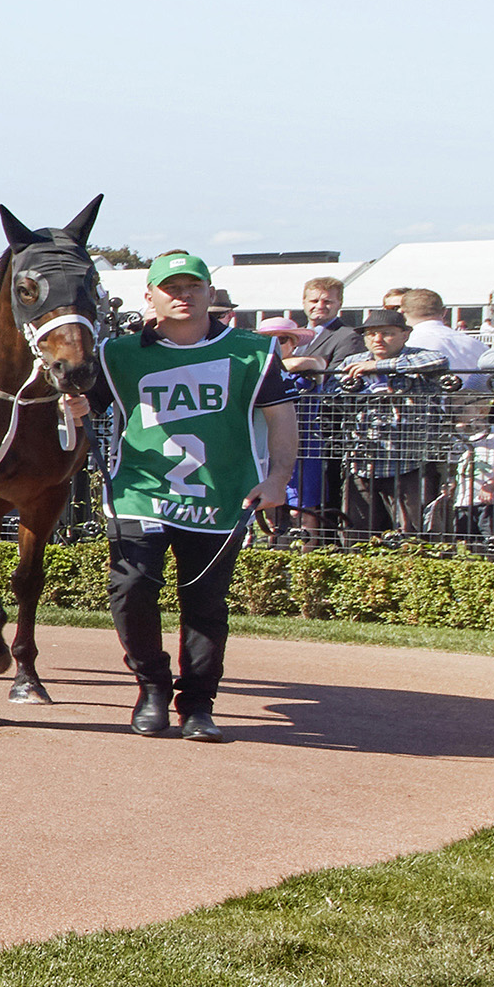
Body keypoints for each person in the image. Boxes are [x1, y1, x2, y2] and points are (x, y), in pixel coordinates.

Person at [95, 252, 298, 741]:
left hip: (222, 496)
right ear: (150, 296)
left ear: (210, 293)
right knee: (131, 588)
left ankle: (198, 705)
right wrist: (72, 402)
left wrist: (277, 479)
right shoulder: (117, 353)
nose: (182, 295)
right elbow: (81, 405)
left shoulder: (254, 352)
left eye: (193, 286)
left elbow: (282, 419)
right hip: (140, 491)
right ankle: (152, 687)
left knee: (205, 603)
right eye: (171, 288)